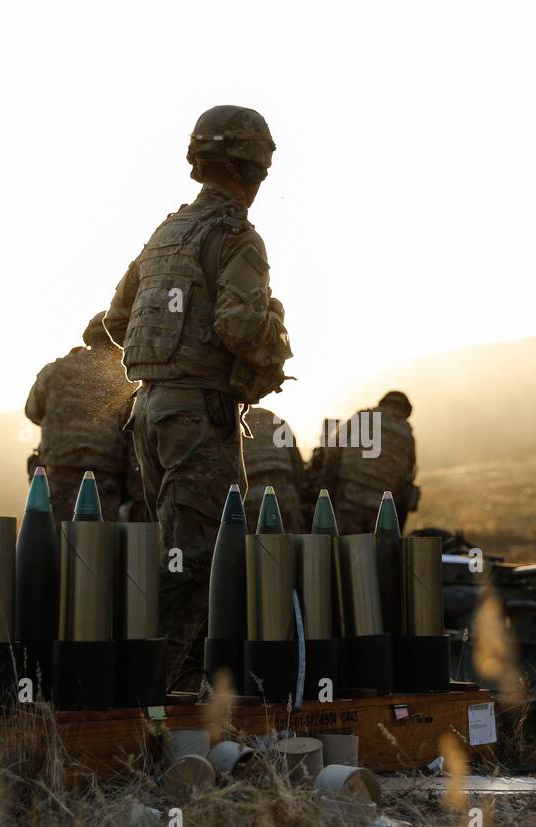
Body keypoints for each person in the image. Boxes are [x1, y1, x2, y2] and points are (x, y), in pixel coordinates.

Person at [84, 105, 291, 681]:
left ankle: (147, 688)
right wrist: (272, 339)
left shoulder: (165, 233)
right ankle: (150, 699)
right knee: (199, 561)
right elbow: (240, 326)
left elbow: (116, 320)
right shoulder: (236, 236)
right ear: (253, 167)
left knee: (172, 553)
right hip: (198, 417)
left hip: (151, 413)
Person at [24, 341, 141, 520]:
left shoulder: (55, 370)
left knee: (57, 541)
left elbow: (32, 411)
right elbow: (134, 431)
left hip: (57, 474)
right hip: (106, 480)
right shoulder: (125, 375)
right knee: (98, 542)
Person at [310, 390, 419, 535]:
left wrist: (327, 488)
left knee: (344, 549)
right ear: (406, 410)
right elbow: (407, 476)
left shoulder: (362, 417)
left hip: (349, 496)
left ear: (382, 403)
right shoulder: (407, 434)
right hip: (382, 508)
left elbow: (332, 453)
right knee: (374, 553)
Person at [241, 407, 305, 532]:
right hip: (283, 492)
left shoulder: (229, 421)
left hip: (248, 497)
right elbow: (297, 465)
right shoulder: (273, 417)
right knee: (291, 547)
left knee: (253, 548)